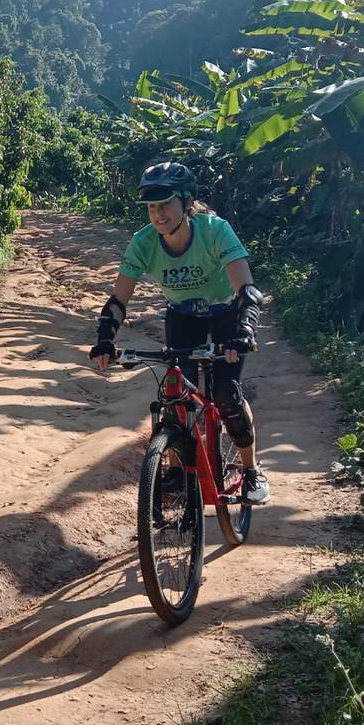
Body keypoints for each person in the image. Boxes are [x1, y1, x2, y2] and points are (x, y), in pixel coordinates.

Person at [88, 161, 270, 505]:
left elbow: (247, 290)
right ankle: (174, 468)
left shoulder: (216, 230)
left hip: (227, 315)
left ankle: (250, 471)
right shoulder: (143, 243)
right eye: (151, 207)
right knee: (174, 395)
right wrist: (105, 339)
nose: (158, 214)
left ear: (187, 203)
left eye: (166, 204)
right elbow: (118, 300)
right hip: (183, 318)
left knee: (227, 394)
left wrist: (244, 331)